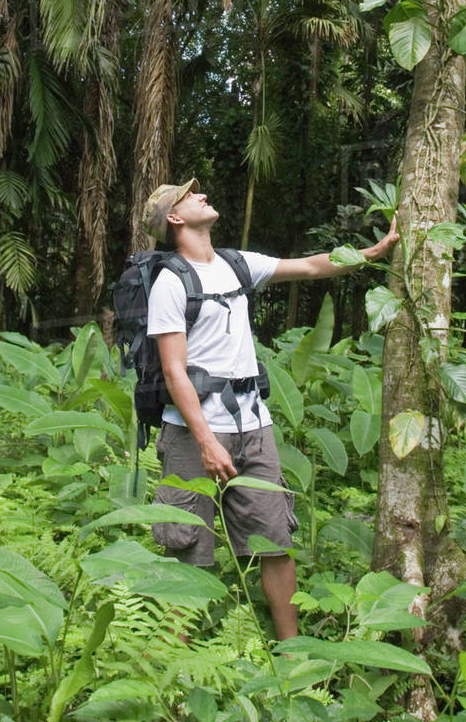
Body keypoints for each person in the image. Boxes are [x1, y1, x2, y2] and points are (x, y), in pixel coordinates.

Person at [142, 177, 399, 640]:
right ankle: (171, 672)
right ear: (175, 218)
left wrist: (373, 253)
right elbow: (175, 371)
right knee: (187, 549)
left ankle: (293, 654)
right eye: (188, 195)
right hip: (191, 432)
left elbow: (310, 268)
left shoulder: (237, 264)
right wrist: (205, 441)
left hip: (254, 426)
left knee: (275, 543)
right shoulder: (169, 282)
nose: (202, 194)